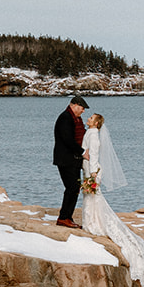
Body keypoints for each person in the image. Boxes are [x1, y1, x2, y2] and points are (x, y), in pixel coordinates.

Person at [79, 113, 144, 287]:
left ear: (97, 123)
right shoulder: (91, 133)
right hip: (88, 167)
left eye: (91, 118)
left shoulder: (93, 135)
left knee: (92, 197)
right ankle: (92, 222)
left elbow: (93, 156)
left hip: (91, 169)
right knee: (91, 198)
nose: (89, 119)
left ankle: (93, 224)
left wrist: (93, 175)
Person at [52, 96, 88, 227]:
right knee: (72, 188)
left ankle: (67, 216)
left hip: (72, 159)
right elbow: (68, 140)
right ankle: (63, 218)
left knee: (74, 188)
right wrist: (83, 152)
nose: (83, 111)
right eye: (82, 108)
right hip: (66, 159)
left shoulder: (75, 118)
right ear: (74, 105)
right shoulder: (65, 118)